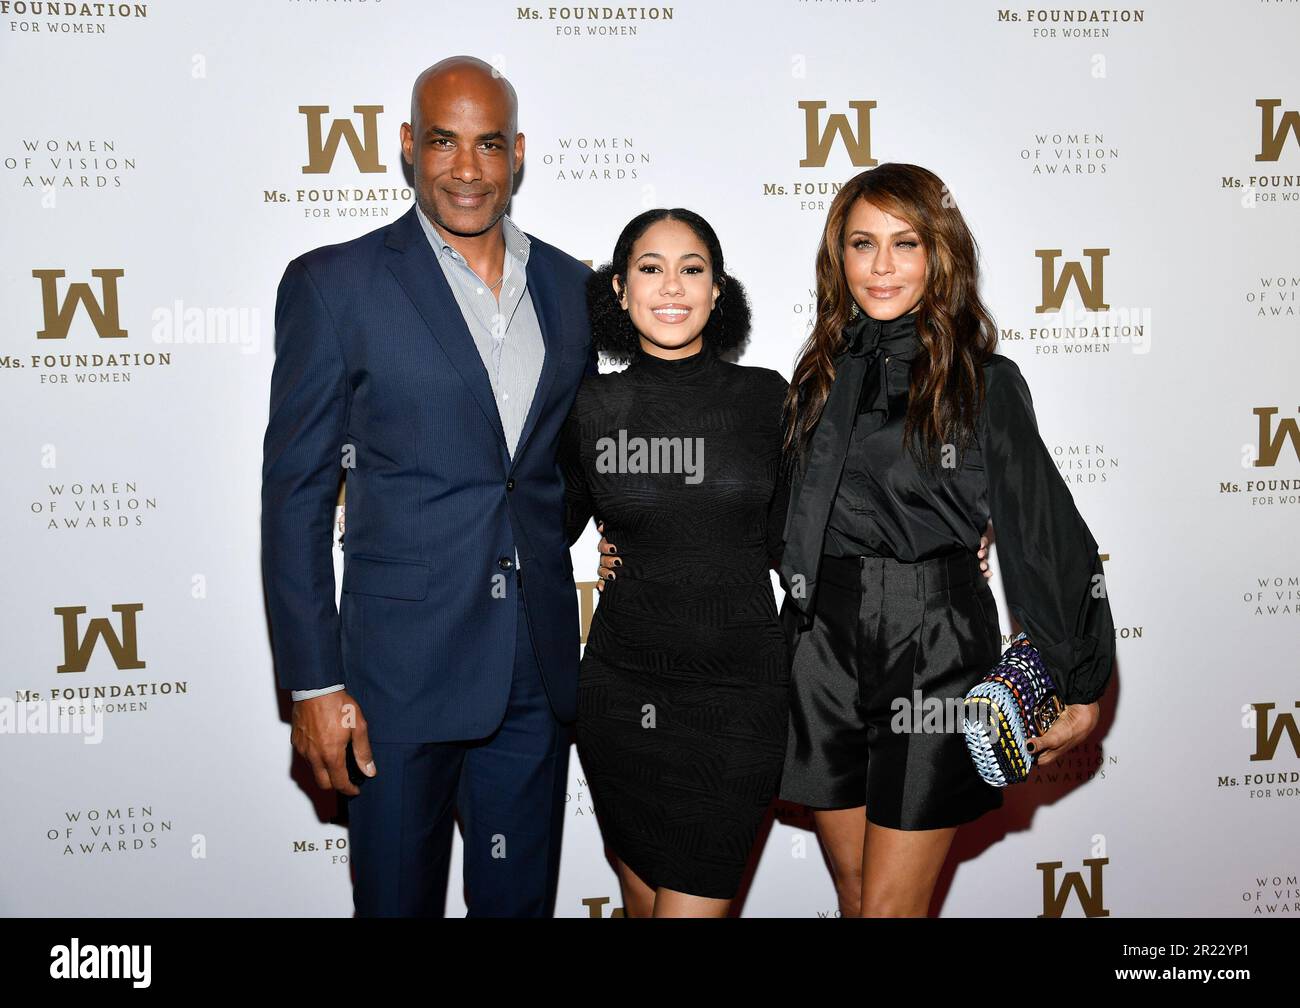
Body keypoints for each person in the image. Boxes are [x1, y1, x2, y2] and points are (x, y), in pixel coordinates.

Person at [261, 55, 595, 917]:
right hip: (393, 684)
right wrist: (312, 684)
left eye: (488, 145)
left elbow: (566, 462)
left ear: (517, 154)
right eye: (444, 141)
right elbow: (296, 498)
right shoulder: (335, 285)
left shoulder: (572, 286)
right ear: (408, 145)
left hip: (535, 672)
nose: (467, 169)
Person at [773, 162, 1115, 917]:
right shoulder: (820, 378)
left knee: (891, 910)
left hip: (931, 642)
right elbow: (783, 514)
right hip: (820, 646)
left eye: (905, 243)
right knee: (859, 893)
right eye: (863, 244)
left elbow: (1043, 529)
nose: (882, 265)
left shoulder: (983, 382)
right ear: (840, 259)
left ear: (940, 255)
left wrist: (1081, 680)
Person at [559, 209, 791, 917]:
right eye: (650, 268)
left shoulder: (766, 397)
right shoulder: (591, 406)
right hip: (622, 696)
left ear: (718, 291)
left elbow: (806, 535)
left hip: (739, 700)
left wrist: (940, 538)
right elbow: (541, 525)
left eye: (692, 268)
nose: (672, 286)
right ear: (621, 291)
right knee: (641, 902)